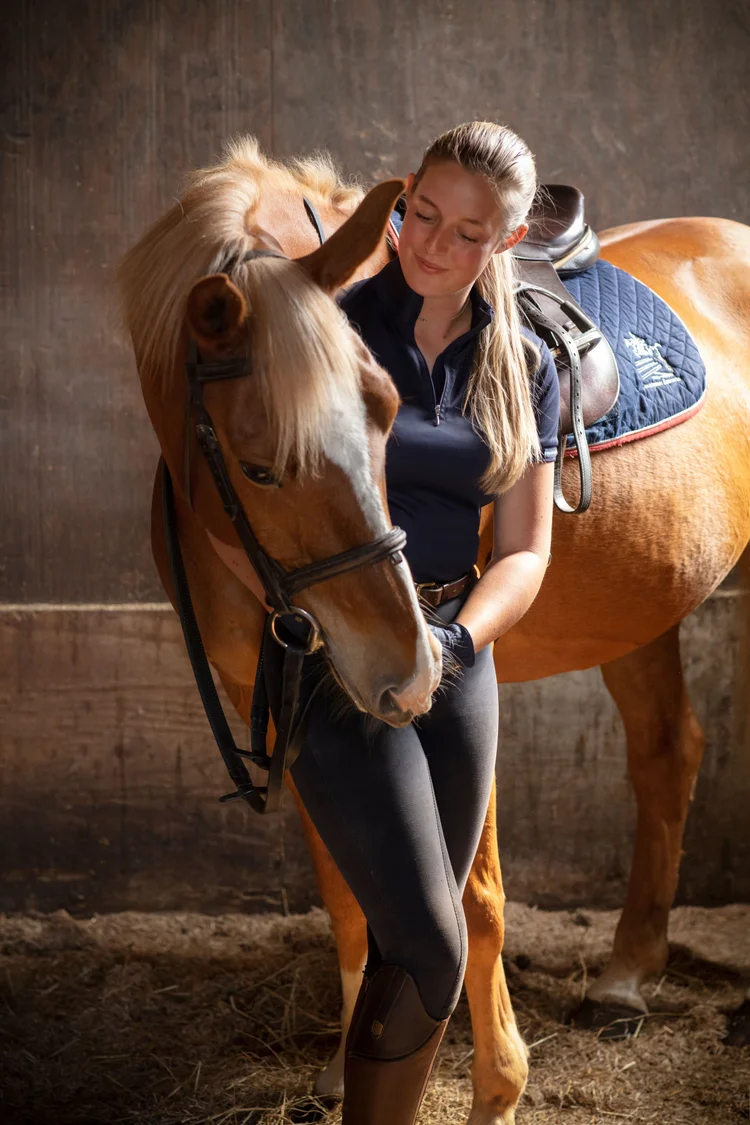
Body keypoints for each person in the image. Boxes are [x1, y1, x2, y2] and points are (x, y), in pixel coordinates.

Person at [264, 121, 559, 1124]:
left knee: (415, 941)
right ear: (400, 205)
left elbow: (523, 552)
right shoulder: (332, 323)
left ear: (508, 244)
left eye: (467, 233)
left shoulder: (521, 362)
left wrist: (458, 644)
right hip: (342, 656)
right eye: (419, 215)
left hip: (454, 650)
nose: (432, 245)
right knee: (433, 943)